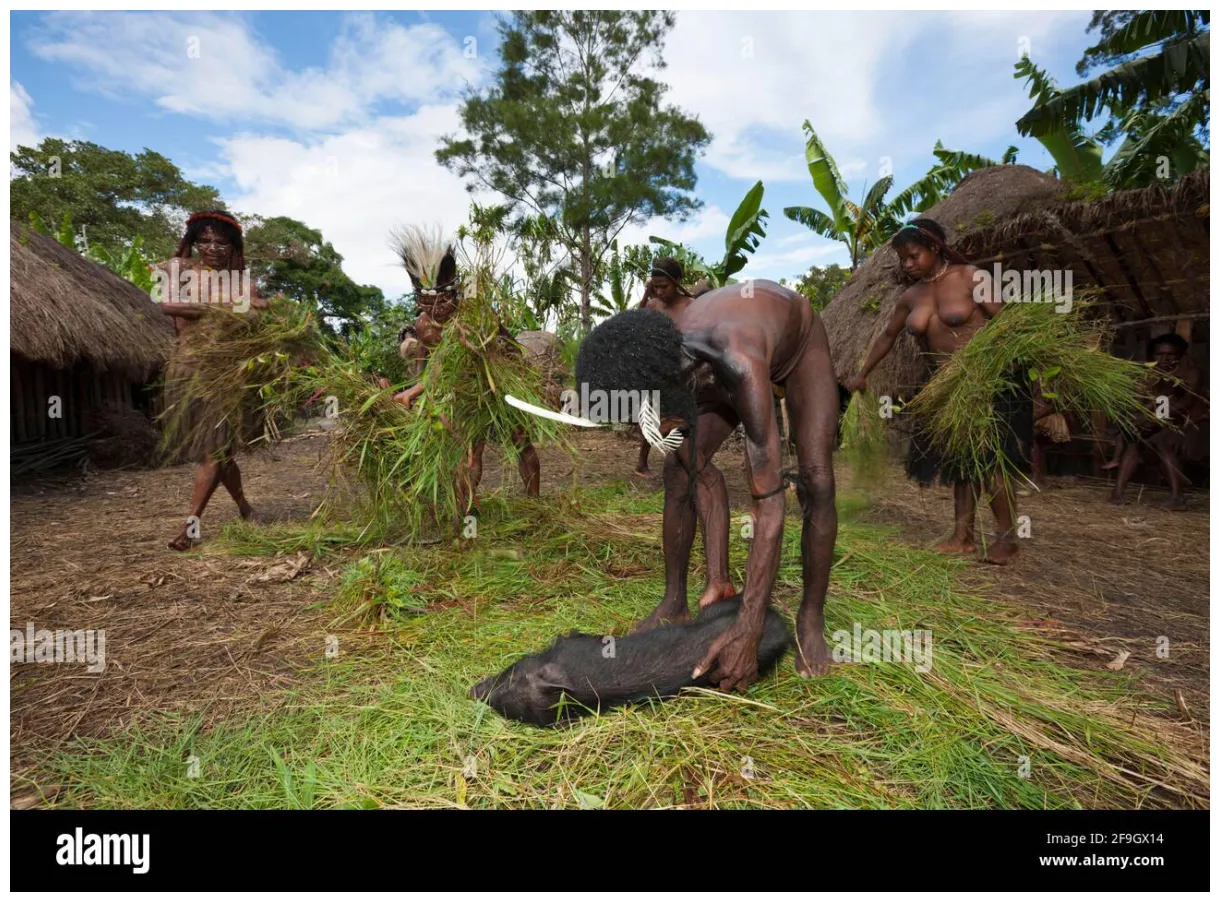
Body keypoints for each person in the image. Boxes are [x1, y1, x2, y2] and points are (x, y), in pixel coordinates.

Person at [570, 279, 839, 687]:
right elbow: (701, 474)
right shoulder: (669, 361)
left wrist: (749, 627)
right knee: (679, 470)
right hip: (708, 371)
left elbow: (768, 503)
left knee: (816, 482)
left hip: (798, 347)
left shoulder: (737, 358)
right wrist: (718, 576)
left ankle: (811, 616)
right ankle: (674, 600)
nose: (642, 424)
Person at [844, 218, 1026, 564]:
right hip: (944, 385)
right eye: (903, 259)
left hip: (984, 381)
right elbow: (887, 336)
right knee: (961, 462)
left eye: (913, 256)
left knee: (991, 462)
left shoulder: (972, 277)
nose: (908, 264)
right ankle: (963, 536)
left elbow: (1006, 325)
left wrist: (987, 368)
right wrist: (863, 373)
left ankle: (1007, 539)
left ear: (935, 248)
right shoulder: (911, 296)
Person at [390, 228, 540, 517]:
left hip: (500, 385)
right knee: (470, 453)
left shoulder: (476, 316)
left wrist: (414, 392)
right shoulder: (424, 326)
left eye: (442, 302)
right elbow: (430, 368)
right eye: (427, 303)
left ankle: (536, 506)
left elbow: (457, 358)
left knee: (521, 443)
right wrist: (419, 395)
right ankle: (468, 512)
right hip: (466, 394)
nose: (437, 310)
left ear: (455, 292)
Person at [157, 210, 269, 552]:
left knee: (215, 450)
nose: (213, 247)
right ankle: (245, 507)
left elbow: (257, 312)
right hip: (187, 370)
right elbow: (167, 305)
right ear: (193, 241)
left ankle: (190, 525)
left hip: (225, 374)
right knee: (216, 452)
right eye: (205, 240)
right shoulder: (178, 271)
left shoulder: (242, 284)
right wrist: (215, 308)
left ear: (233, 246)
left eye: (221, 241)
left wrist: (264, 309)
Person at [1109, 333, 1205, 510]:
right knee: (1134, 440)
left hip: (1193, 426)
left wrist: (1152, 420)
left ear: (1181, 355)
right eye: (1159, 355)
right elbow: (1145, 402)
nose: (1164, 359)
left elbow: (1186, 404)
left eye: (1170, 355)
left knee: (1162, 442)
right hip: (1162, 421)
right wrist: (1141, 418)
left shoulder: (1192, 373)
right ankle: (1117, 493)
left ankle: (1177, 498)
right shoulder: (1152, 375)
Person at [632, 257, 695, 476]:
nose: (659, 291)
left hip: (684, 370)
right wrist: (645, 295)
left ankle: (681, 462)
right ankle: (642, 462)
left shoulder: (691, 306)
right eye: (655, 286)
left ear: (677, 281)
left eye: (664, 286)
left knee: (679, 419)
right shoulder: (653, 305)